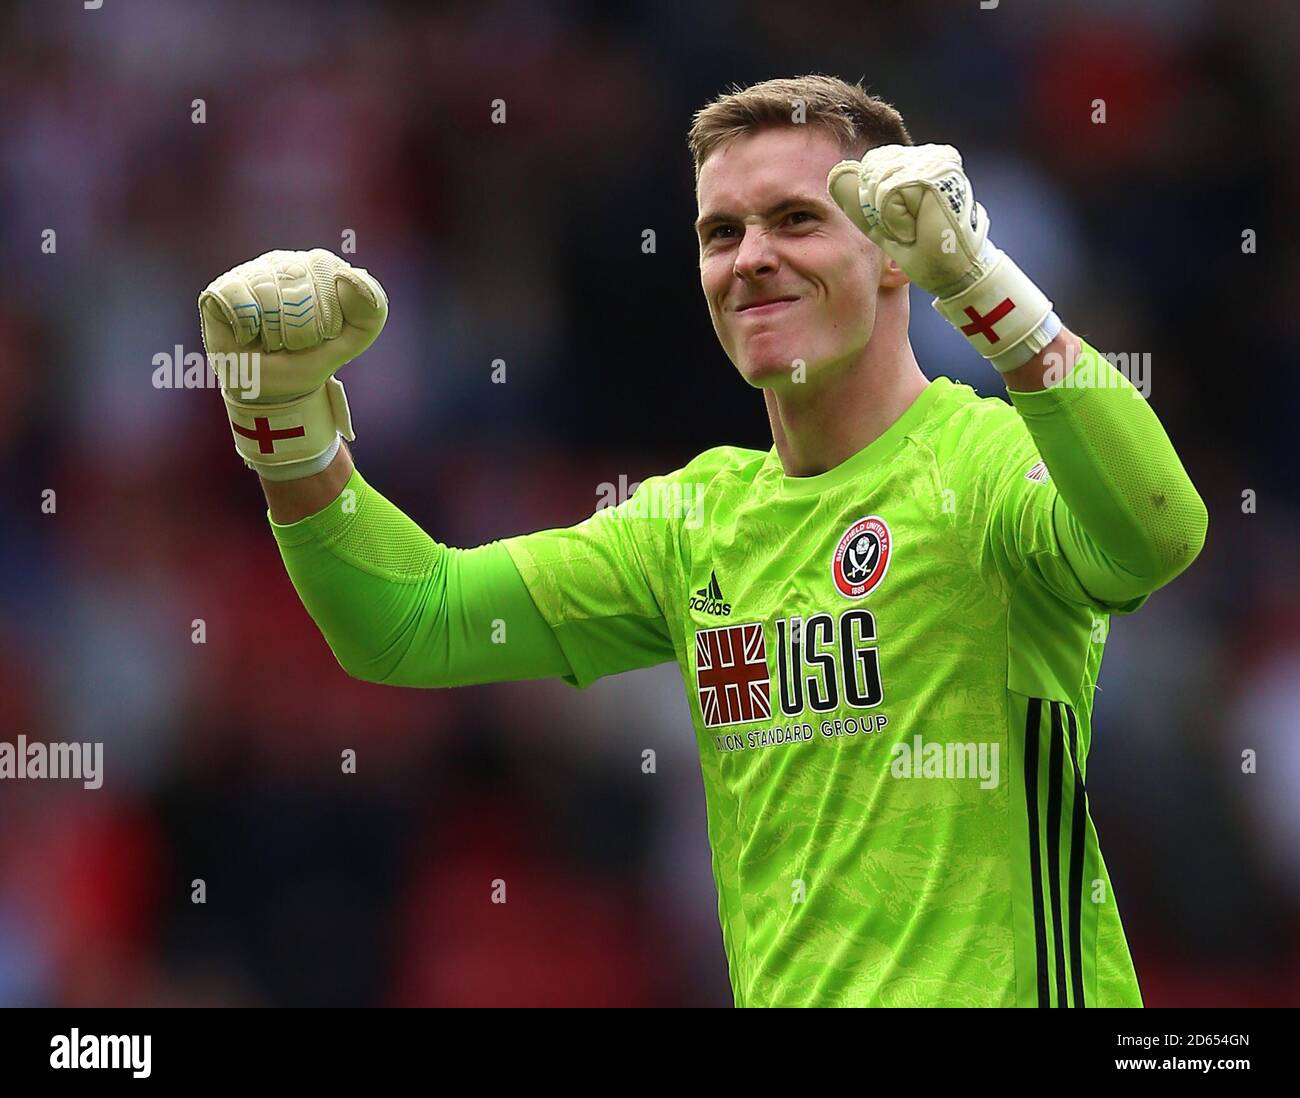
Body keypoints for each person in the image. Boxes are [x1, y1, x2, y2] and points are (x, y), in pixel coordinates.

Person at [197, 74, 1207, 1007]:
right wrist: (286, 428)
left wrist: (988, 289)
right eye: (720, 232)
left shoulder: (986, 466)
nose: (751, 256)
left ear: (900, 249)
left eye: (797, 220)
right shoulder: (691, 524)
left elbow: (1158, 532)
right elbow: (409, 622)